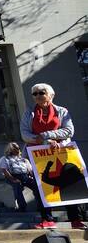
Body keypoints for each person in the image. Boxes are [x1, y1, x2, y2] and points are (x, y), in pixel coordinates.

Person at [20, 83, 85, 230]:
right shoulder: (29, 112)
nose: (37, 96)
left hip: (61, 152)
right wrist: (45, 141)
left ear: (51, 95)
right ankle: (47, 219)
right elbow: (25, 134)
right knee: (41, 186)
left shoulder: (62, 111)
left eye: (41, 93)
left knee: (69, 184)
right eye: (34, 94)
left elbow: (69, 130)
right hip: (38, 155)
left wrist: (46, 135)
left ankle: (75, 219)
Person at [0, 142, 38, 213]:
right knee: (17, 186)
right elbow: (4, 170)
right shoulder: (4, 159)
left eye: (18, 148)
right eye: (16, 148)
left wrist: (32, 177)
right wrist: (13, 179)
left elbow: (30, 170)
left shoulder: (23, 159)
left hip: (25, 176)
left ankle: (40, 205)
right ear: (11, 149)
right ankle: (22, 207)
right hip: (12, 176)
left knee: (37, 187)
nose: (18, 150)